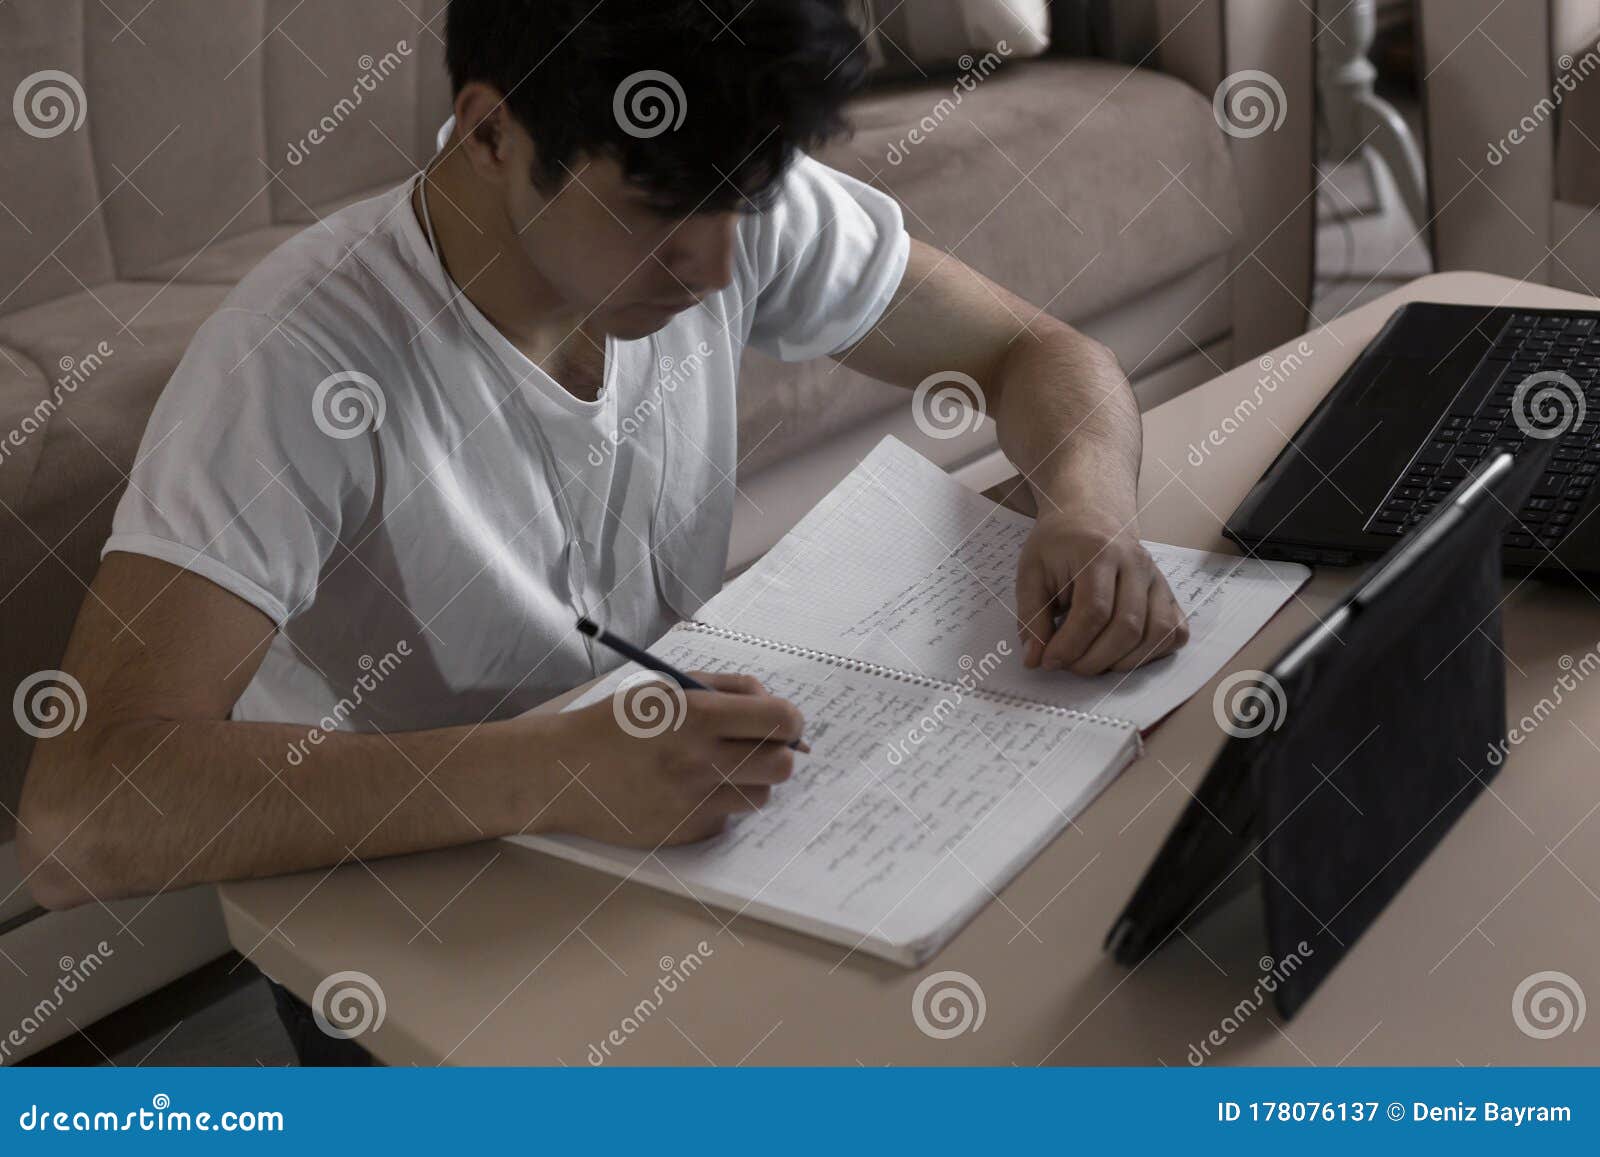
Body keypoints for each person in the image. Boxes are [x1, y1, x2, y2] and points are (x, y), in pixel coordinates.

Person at [16, 0, 1189, 1061]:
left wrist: (1088, 506)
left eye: (751, 200)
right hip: (395, 918)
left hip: (668, 840)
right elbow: (84, 815)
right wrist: (558, 768)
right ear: (489, 134)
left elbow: (1035, 353)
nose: (721, 265)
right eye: (658, 215)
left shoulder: (711, 188)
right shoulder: (297, 362)